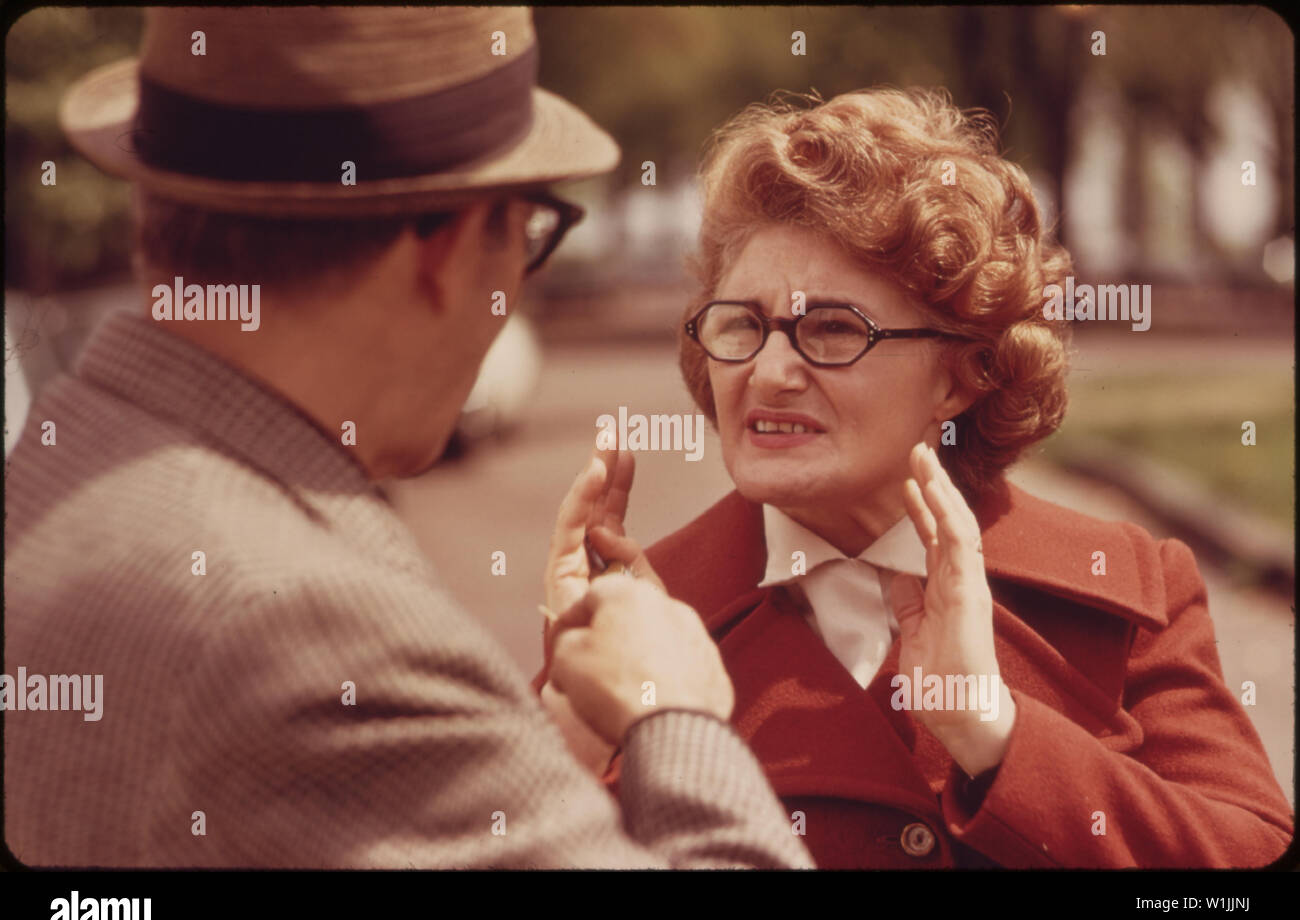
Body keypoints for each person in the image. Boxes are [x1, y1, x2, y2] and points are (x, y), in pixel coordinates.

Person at [3, 7, 813, 870]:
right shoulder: (318, 627)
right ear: (448, 245)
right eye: (532, 230)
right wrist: (674, 713)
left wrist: (517, 766)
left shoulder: (56, 465)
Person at [535, 87, 1294, 869]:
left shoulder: (1130, 590)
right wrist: (575, 743)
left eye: (832, 328)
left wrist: (993, 732)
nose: (767, 372)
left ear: (962, 375)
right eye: (743, 325)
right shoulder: (638, 616)